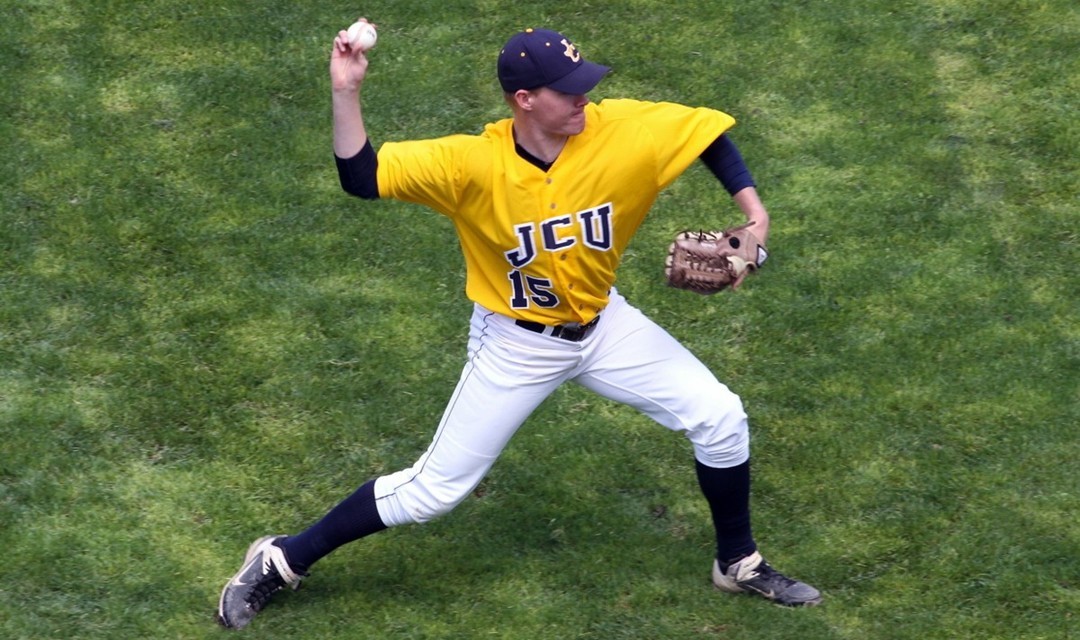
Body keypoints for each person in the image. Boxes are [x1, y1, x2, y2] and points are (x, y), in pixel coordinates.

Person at [217, 22, 821, 630]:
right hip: (517, 343)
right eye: (567, 90)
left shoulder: (622, 130)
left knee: (720, 416)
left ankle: (737, 561)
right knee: (434, 491)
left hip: (603, 324)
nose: (583, 98)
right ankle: (280, 559)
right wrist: (346, 90)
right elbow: (361, 176)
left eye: (584, 84)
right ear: (524, 100)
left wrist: (755, 216)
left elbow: (706, 135)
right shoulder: (470, 164)